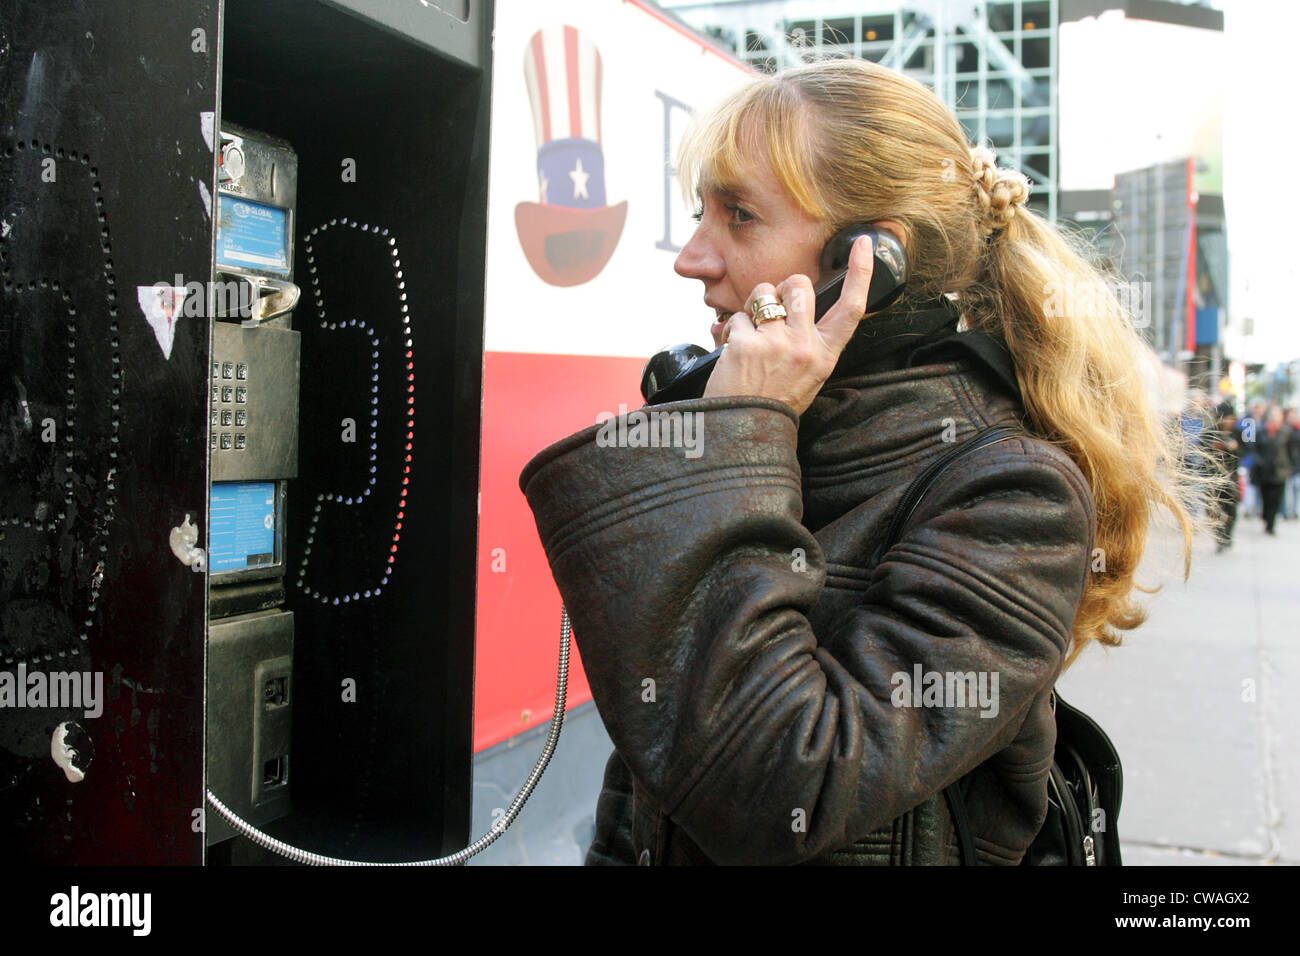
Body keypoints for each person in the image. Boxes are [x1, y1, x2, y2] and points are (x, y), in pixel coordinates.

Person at [520, 59, 1196, 865]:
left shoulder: (1012, 491)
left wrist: (742, 436)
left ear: (868, 263)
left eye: (738, 216)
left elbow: (779, 791)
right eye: (700, 214)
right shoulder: (775, 435)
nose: (692, 257)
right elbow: (641, 800)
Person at [1253, 404, 1294, 535]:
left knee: (1276, 498)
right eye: (1273, 416)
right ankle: (1266, 516)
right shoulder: (1260, 431)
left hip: (1280, 470)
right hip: (1264, 470)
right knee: (1266, 497)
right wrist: (1259, 462)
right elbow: (1255, 449)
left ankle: (1271, 523)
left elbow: (1290, 451)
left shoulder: (1286, 432)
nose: (1275, 418)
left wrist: (1290, 466)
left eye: (1277, 416)